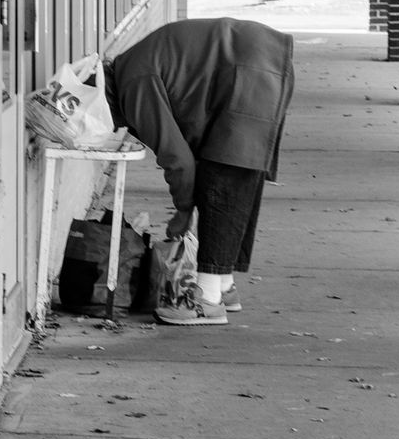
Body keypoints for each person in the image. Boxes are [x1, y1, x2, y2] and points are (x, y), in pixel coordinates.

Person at [103, 17, 294, 324]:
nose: (113, 128)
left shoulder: (134, 84)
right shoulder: (131, 67)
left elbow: (177, 158)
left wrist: (182, 211)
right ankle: (222, 285)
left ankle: (206, 301)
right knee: (234, 177)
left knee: (225, 180)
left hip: (250, 69)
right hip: (259, 60)